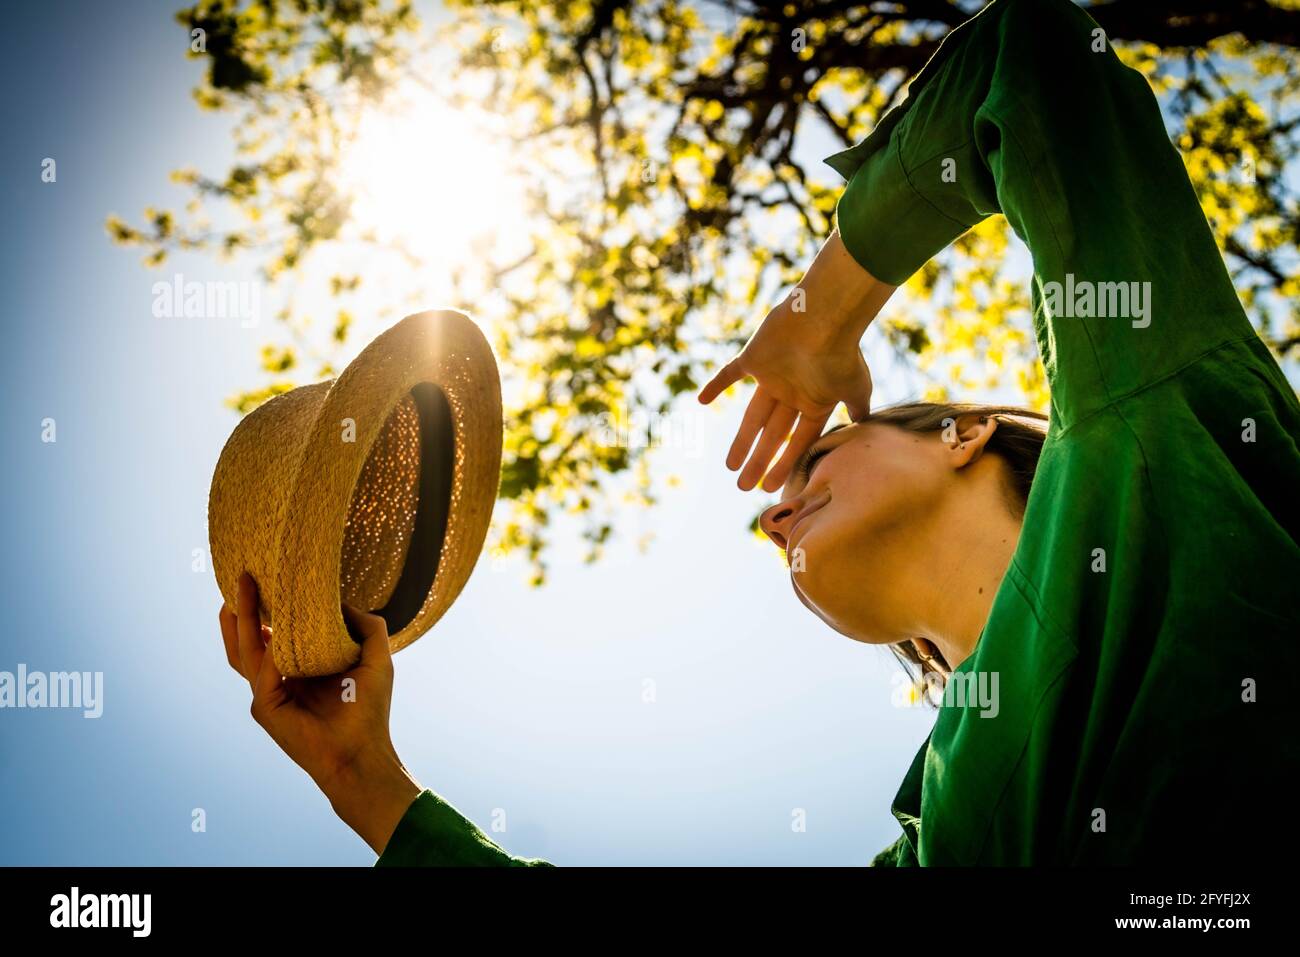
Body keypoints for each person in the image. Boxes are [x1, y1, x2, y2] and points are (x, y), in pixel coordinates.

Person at [219, 0, 1300, 865]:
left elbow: (1033, 61)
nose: (773, 510)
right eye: (778, 512)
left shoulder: (1138, 420)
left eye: (814, 454)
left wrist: (820, 310)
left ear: (964, 435)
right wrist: (370, 791)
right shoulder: (933, 834)